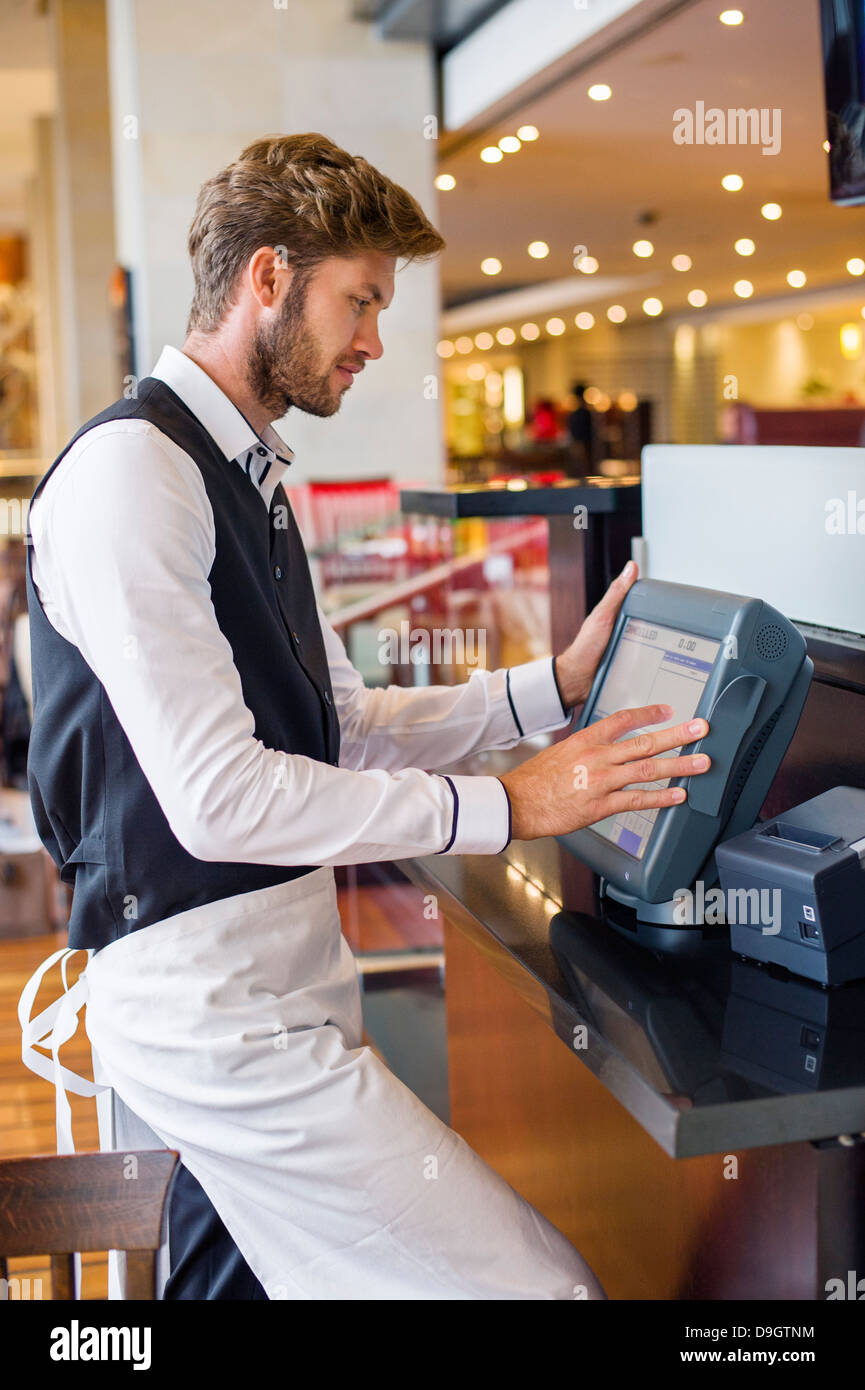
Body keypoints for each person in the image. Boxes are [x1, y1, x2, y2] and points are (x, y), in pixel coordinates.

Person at [21, 133, 711, 1300]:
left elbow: (337, 724)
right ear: (270, 278)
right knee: (539, 1288)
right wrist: (509, 803)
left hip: (278, 982)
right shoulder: (133, 475)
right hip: (213, 1018)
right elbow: (220, 795)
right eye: (363, 300)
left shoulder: (243, 473)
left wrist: (547, 691)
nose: (376, 341)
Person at [566, 383, 595, 473]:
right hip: (584, 443)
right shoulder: (586, 412)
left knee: (582, 467)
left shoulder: (578, 413)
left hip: (581, 443)